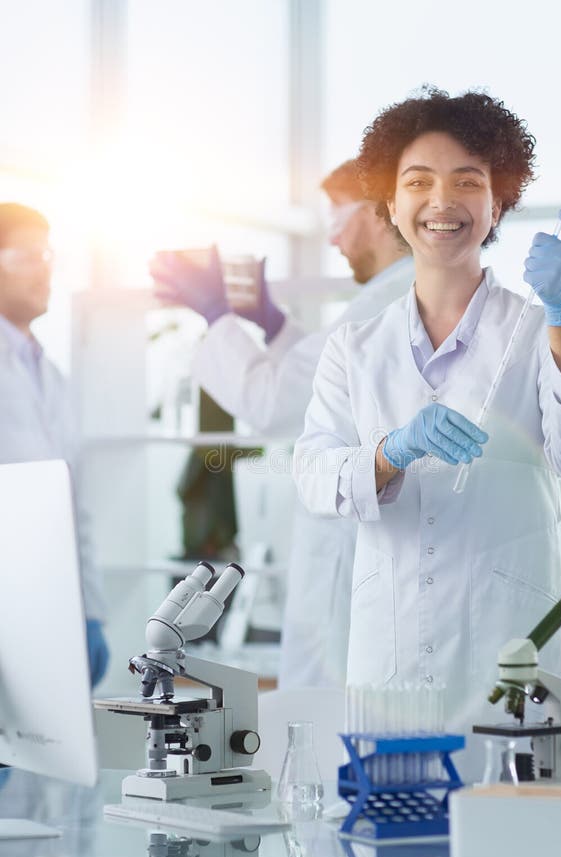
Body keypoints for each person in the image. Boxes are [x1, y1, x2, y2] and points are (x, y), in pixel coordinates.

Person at [293, 88, 561, 780]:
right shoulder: (353, 349)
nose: (441, 201)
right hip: (392, 673)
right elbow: (313, 476)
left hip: (514, 662)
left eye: (467, 181)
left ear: (498, 204)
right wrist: (390, 451)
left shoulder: (537, 329)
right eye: (417, 181)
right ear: (389, 204)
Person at [149, 160, 414, 687]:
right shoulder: (389, 298)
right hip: (362, 545)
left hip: (353, 553)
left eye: (338, 215)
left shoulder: (381, 305)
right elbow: (323, 385)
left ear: (377, 211)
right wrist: (273, 326)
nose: (334, 235)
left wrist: (215, 315)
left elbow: (272, 402)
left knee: (325, 711)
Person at [0, 203, 109, 686]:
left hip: (49, 613)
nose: (42, 267)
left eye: (46, 254)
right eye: (24, 255)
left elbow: (75, 504)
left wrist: (91, 612)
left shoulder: (52, 377)